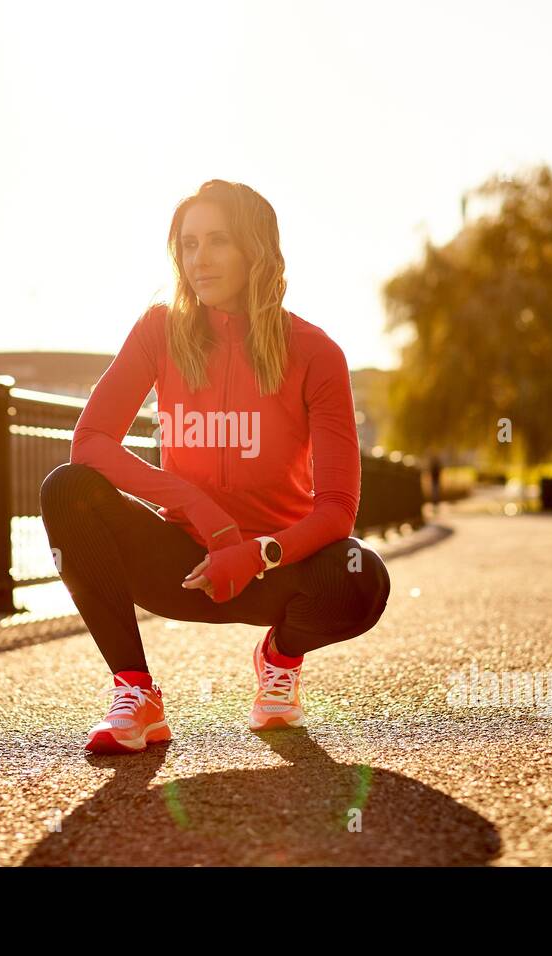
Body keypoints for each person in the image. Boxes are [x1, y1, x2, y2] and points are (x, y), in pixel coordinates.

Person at [40, 179, 390, 755]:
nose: (199, 259)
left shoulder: (316, 352)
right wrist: (201, 511)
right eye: (188, 243)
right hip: (184, 565)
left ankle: (280, 657)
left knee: (361, 576)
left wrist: (256, 552)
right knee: (68, 488)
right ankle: (136, 694)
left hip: (271, 571)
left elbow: (336, 510)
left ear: (255, 248)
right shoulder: (160, 329)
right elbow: (92, 441)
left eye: (218, 241)